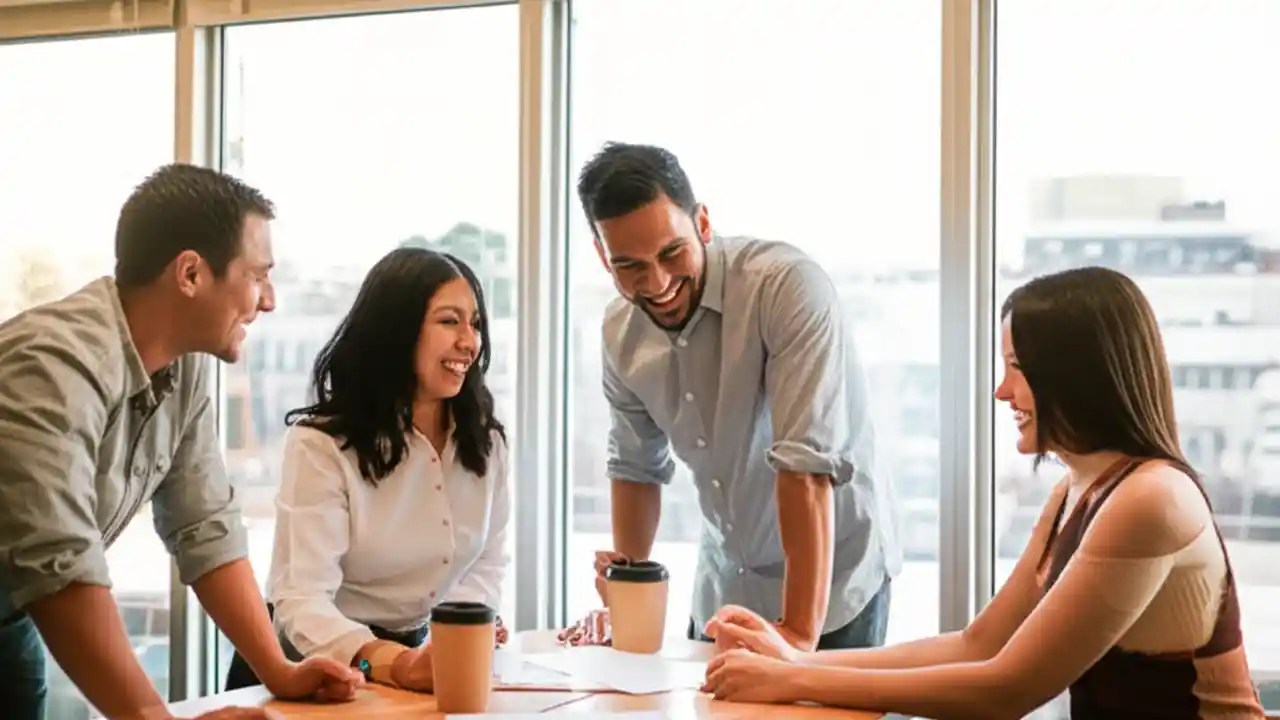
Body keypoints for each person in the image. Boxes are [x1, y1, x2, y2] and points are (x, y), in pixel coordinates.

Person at [701, 266, 1267, 719]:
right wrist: (798, 658)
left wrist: (792, 677)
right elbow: (979, 644)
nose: (1002, 390)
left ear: (1076, 375)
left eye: (1017, 367)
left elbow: (1006, 691)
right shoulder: (1081, 491)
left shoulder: (1151, 499)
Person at [0, 164, 363, 720]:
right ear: (191, 273)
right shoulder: (50, 367)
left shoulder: (182, 372)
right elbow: (59, 562)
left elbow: (204, 526)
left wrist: (280, 671)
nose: (267, 301)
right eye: (258, 276)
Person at [560, 142, 899, 652]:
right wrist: (622, 602)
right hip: (725, 581)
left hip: (832, 588)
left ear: (702, 222)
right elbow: (635, 466)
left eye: (671, 253)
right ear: (602, 257)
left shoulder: (784, 288)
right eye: (629, 266)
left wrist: (798, 638)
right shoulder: (619, 332)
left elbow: (804, 465)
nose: (657, 284)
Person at [224, 247, 511, 692]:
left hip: (418, 668)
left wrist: (456, 637)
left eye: (475, 323)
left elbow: (486, 564)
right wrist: (395, 664)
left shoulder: (485, 443)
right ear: (397, 330)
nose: (469, 341)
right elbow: (301, 599)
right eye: (449, 321)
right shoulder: (321, 445)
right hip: (312, 670)